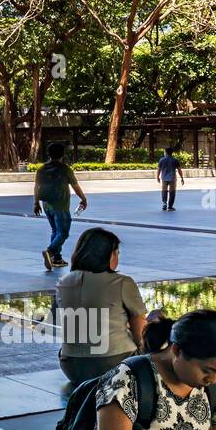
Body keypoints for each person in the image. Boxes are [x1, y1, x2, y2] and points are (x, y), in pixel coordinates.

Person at [55, 228, 148, 387]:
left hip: (71, 366)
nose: (118, 257)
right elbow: (141, 333)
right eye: (117, 252)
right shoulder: (122, 282)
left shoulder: (64, 281)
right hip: (113, 366)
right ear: (109, 255)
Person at [33, 142, 87, 271]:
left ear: (49, 154)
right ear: (62, 154)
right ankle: (50, 252)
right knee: (63, 233)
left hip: (46, 205)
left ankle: (57, 259)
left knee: (55, 231)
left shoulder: (42, 169)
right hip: (60, 205)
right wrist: (83, 199)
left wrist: (36, 203)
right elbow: (75, 186)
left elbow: (37, 187)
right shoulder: (65, 169)